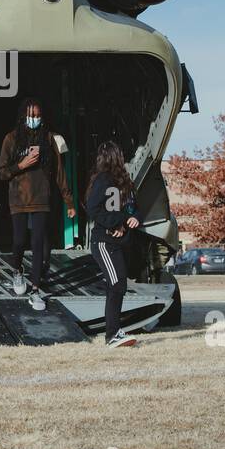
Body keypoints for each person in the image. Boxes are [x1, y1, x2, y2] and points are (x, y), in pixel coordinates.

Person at [0, 97, 76, 311]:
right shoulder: (11, 139)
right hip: (19, 199)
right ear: (23, 116)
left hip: (42, 199)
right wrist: (20, 165)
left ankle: (35, 289)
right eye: (31, 116)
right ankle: (17, 270)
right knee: (19, 240)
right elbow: (1, 172)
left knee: (38, 243)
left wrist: (69, 201)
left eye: (38, 116)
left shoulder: (49, 140)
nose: (35, 119)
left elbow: (59, 172)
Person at [85, 141, 141, 348]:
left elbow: (134, 208)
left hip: (121, 242)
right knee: (117, 284)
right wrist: (117, 222)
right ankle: (112, 334)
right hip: (105, 243)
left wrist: (135, 218)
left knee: (117, 286)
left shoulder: (125, 182)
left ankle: (114, 331)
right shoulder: (103, 180)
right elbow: (93, 208)